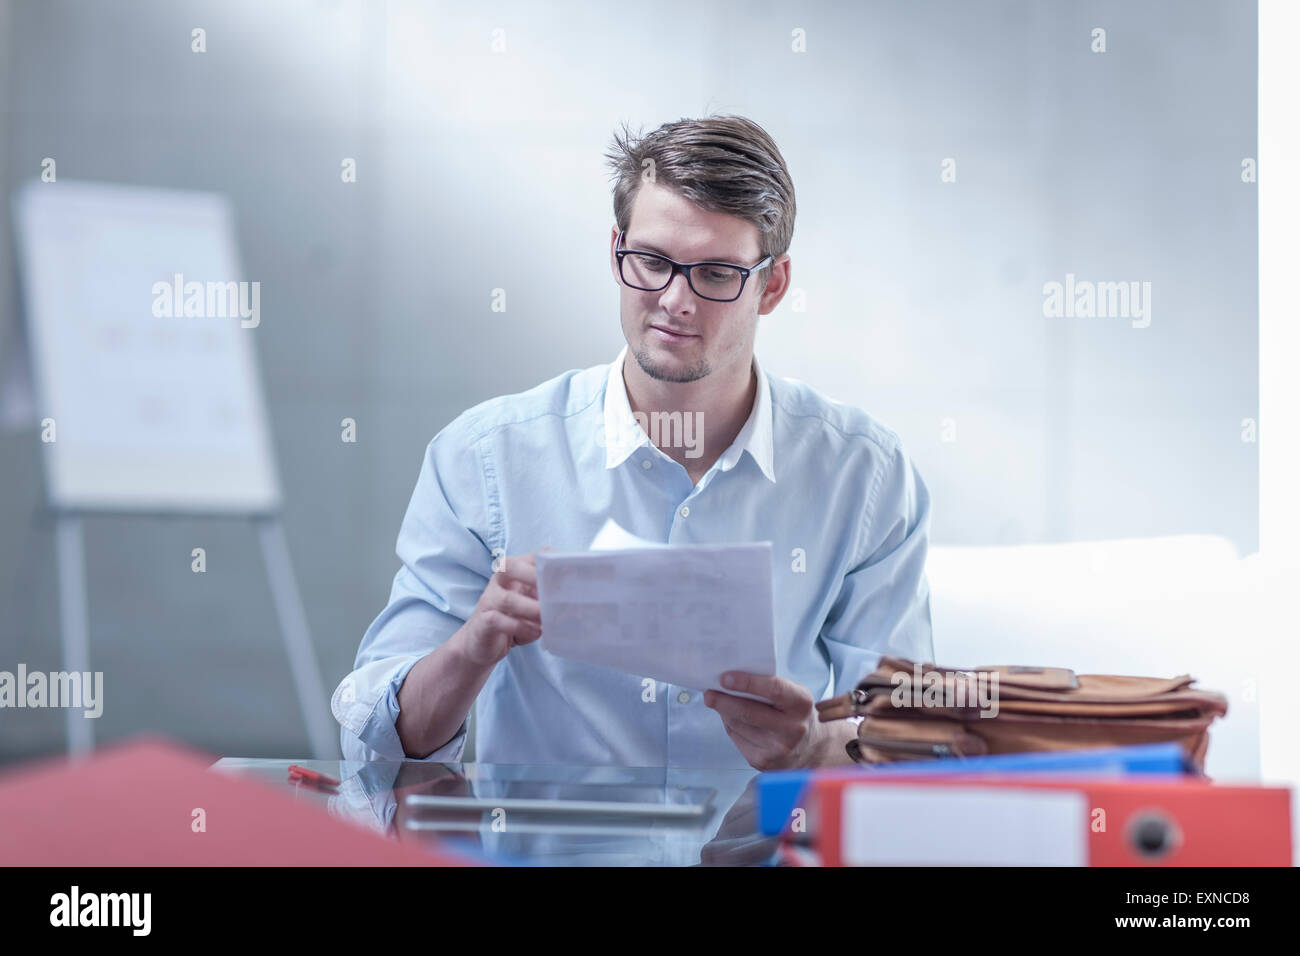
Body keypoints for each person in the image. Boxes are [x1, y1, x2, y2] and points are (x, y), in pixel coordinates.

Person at [334, 114, 934, 771]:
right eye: (651, 261)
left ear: (773, 285)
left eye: (715, 274)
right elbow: (381, 745)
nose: (675, 300)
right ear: (616, 252)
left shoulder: (865, 476)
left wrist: (811, 748)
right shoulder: (484, 458)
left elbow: (913, 746)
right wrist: (472, 646)